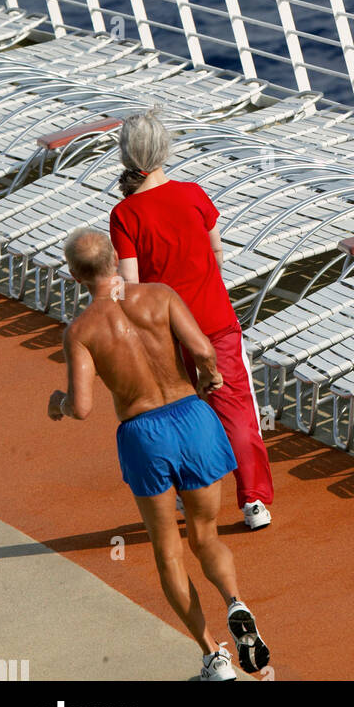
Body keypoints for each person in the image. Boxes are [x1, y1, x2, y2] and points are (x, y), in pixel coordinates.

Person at [48, 228, 270, 682]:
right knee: (205, 534)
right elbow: (205, 349)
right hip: (192, 418)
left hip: (143, 433)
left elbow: (83, 406)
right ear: (114, 258)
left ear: (74, 276)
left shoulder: (82, 331)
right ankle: (235, 601)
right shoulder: (159, 295)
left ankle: (214, 658)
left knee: (168, 553)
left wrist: (58, 403)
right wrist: (208, 376)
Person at [108, 111, 274, 530]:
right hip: (214, 321)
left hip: (163, 334)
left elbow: (131, 284)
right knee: (236, 410)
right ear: (165, 150)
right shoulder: (194, 194)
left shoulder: (125, 215)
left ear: (127, 154)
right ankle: (253, 501)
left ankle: (188, 494)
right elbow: (216, 257)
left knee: (177, 413)